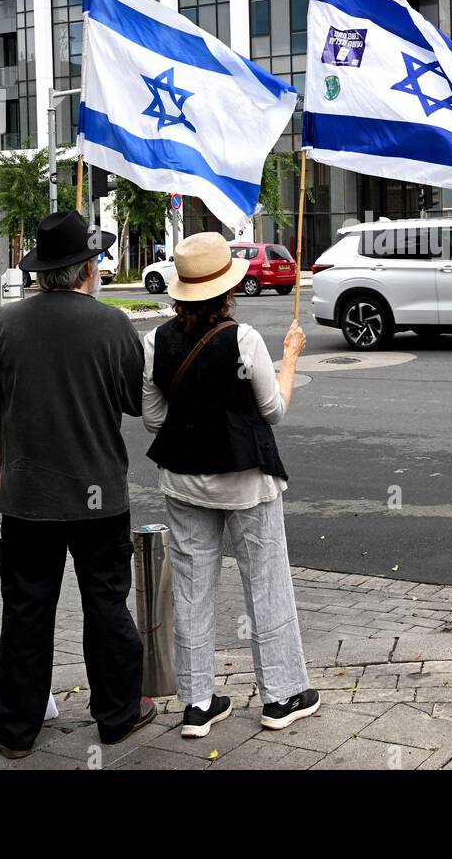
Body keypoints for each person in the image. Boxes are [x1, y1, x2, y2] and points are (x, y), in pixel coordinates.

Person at [0, 210, 150, 759]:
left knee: (26, 612)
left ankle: (17, 730)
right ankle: (118, 716)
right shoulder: (114, 325)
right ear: (85, 269)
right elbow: (136, 404)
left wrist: (1, 471)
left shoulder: (5, 324)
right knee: (107, 607)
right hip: (101, 498)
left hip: (27, 503)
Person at [142, 231, 319, 738]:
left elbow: (154, 420)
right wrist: (290, 357)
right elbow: (273, 411)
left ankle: (197, 704)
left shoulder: (155, 341)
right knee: (265, 584)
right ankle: (281, 697)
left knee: (193, 590)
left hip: (183, 481)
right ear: (228, 290)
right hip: (247, 481)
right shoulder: (243, 340)